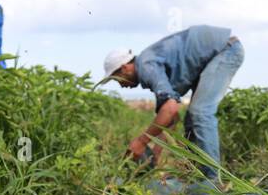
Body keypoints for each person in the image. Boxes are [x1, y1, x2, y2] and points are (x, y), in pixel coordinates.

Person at [96, 25, 244, 182]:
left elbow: (170, 109)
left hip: (225, 50)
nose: (120, 85)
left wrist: (141, 141)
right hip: (212, 55)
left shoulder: (147, 66)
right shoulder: (150, 64)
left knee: (200, 112)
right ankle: (192, 174)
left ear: (125, 68)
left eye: (116, 79)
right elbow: (170, 120)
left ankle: (213, 180)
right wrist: (155, 156)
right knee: (191, 120)